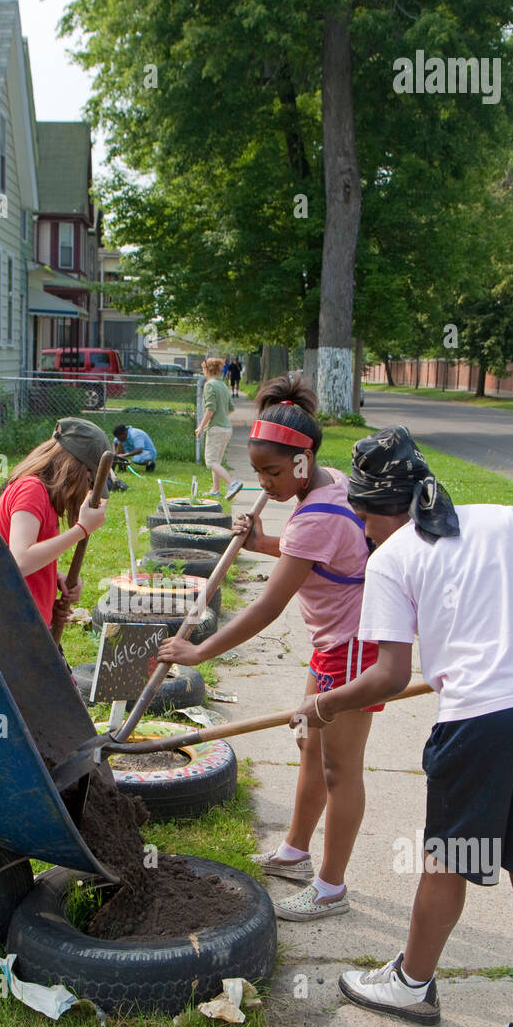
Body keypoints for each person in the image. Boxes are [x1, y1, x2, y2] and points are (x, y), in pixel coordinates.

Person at [291, 425, 513, 1027]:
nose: (360, 528)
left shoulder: (392, 560)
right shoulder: (503, 519)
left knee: (450, 859)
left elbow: (390, 677)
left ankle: (412, 983)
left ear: (377, 508)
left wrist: (323, 706)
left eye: (362, 514)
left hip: (481, 719)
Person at [158, 372, 380, 920]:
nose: (266, 483)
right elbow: (323, 549)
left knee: (339, 769)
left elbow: (268, 607)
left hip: (355, 651)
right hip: (335, 645)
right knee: (309, 744)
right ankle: (294, 853)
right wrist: (263, 542)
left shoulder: (316, 513)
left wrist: (199, 652)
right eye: (257, 472)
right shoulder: (332, 487)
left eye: (274, 472)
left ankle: (331, 888)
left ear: (303, 462)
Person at [0, 417, 110, 630]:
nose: (87, 489)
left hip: (29, 621)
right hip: (15, 625)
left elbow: (15, 557)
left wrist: (54, 577)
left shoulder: (43, 494)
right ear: (75, 466)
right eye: (90, 480)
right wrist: (81, 529)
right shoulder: (31, 489)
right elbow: (21, 560)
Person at [197, 357, 242, 498]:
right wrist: (221, 416)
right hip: (227, 428)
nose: (202, 371)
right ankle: (215, 490)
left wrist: (201, 427)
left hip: (215, 428)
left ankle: (232, 483)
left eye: (203, 368)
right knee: (217, 461)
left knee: (211, 461)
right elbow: (231, 408)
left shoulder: (209, 385)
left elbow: (210, 409)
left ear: (207, 369)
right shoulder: (223, 385)